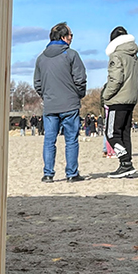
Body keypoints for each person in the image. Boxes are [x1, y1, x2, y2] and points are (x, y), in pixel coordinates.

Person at [33, 22, 87, 182]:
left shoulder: (41, 58)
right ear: (64, 37)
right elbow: (80, 78)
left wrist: (47, 95)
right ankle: (71, 174)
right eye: (70, 35)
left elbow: (37, 83)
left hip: (50, 105)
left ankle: (48, 174)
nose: (71, 38)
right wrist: (78, 94)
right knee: (71, 140)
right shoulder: (71, 55)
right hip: (69, 104)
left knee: (49, 140)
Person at [101, 26, 138, 177]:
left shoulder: (117, 56)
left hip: (117, 100)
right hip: (131, 99)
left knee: (111, 133)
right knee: (125, 133)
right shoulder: (135, 57)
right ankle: (127, 164)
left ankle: (125, 162)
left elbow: (115, 79)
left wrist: (106, 95)